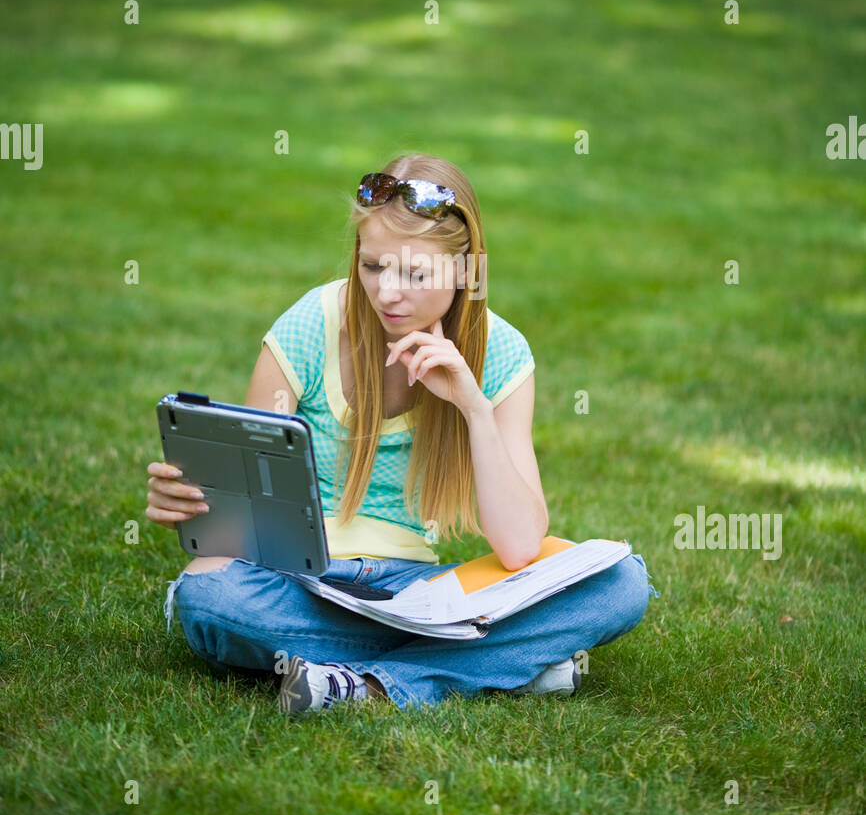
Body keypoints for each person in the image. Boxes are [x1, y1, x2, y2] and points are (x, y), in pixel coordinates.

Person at [149, 151, 659, 716]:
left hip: (420, 590)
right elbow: (248, 507)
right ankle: (500, 665)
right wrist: (197, 502)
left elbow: (518, 547)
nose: (388, 292)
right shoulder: (311, 325)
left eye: (416, 274)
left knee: (621, 584)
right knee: (210, 596)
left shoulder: (504, 354)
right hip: (304, 581)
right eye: (373, 266)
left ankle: (362, 684)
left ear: (465, 272)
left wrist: (473, 407)